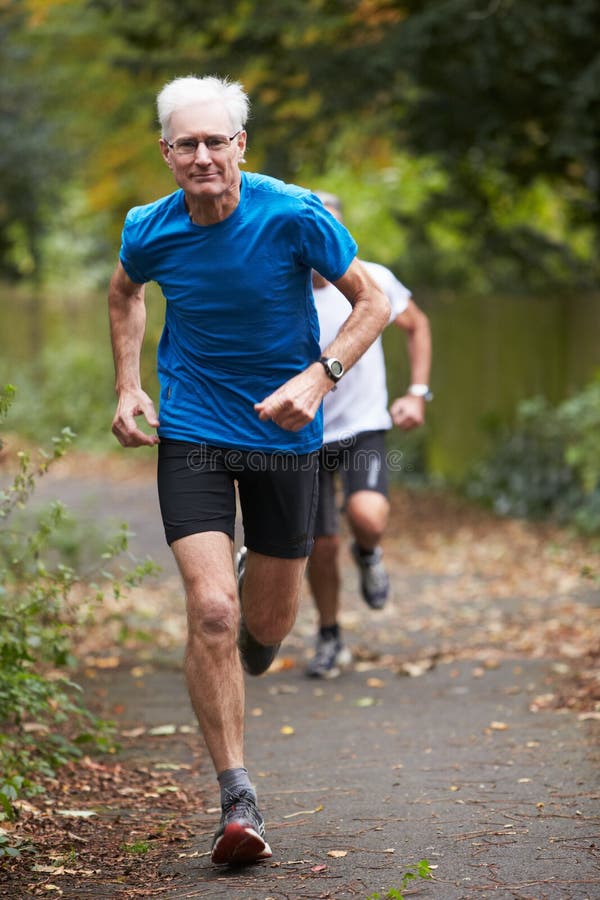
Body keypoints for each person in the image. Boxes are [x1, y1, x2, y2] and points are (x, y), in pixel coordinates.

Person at [107, 77, 390, 867]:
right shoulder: (148, 227)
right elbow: (124, 293)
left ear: (241, 147)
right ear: (167, 155)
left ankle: (254, 622)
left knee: (265, 632)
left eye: (216, 142)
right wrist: (129, 383)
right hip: (193, 428)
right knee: (213, 615)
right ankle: (237, 797)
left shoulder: (294, 214)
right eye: (186, 144)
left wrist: (320, 375)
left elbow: (374, 303)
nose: (203, 156)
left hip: (286, 436)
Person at [305, 192, 432, 679]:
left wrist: (417, 392)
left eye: (332, 232)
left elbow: (416, 325)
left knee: (368, 516)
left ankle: (369, 551)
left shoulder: (373, 279)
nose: (323, 242)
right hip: (305, 436)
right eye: (314, 231)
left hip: (361, 425)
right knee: (320, 545)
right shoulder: (281, 287)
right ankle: (329, 634)